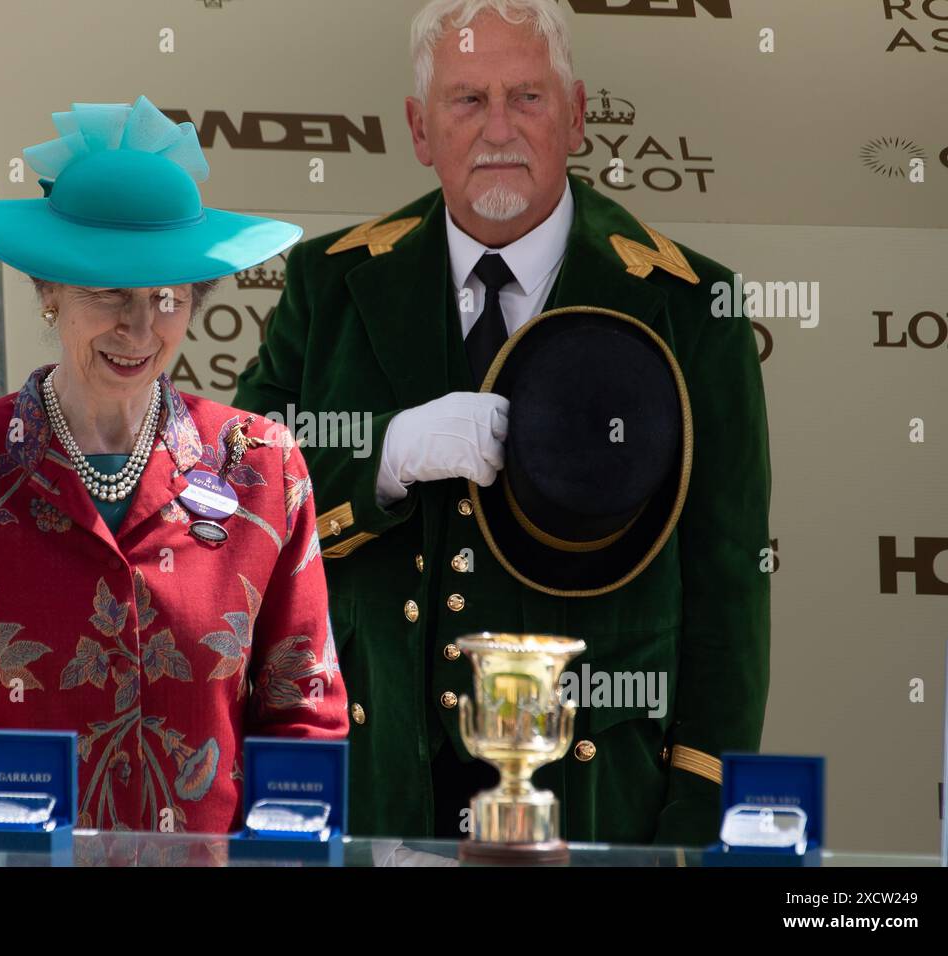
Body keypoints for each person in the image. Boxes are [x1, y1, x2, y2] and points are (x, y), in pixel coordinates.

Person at [234, 0, 771, 844]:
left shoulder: (691, 308)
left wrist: (695, 824)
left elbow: (728, 591)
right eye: (466, 100)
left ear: (577, 115)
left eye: (526, 96)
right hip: (377, 785)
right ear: (419, 127)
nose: (498, 130)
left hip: (595, 801)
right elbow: (240, 485)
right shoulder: (329, 284)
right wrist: (384, 457)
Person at [0, 96, 347, 832]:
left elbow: (303, 718)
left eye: (166, 297)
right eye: (107, 291)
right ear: (49, 292)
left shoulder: (263, 468)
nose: (139, 327)